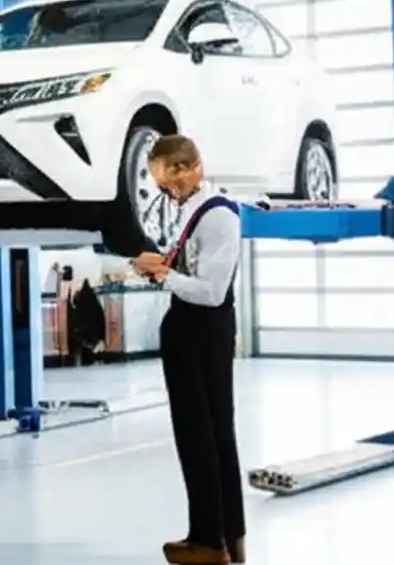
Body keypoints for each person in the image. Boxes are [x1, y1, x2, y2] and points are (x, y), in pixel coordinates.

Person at [131, 134, 247, 565]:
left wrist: (164, 276)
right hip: (195, 325)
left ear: (181, 169)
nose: (159, 184)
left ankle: (207, 542)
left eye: (161, 174)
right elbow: (189, 264)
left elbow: (212, 291)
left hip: (200, 327)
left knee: (199, 435)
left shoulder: (218, 215)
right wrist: (160, 264)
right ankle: (228, 537)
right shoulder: (191, 209)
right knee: (216, 433)